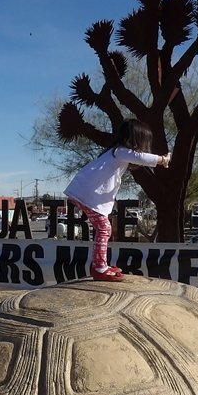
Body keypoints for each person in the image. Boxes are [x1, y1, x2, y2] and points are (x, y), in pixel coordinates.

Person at [64, 119, 170, 281]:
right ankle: (99, 268)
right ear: (134, 139)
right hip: (86, 194)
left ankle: (100, 265)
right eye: (144, 141)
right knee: (104, 229)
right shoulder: (120, 151)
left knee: (103, 229)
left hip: (84, 192)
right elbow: (140, 158)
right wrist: (162, 160)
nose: (144, 145)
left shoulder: (115, 152)